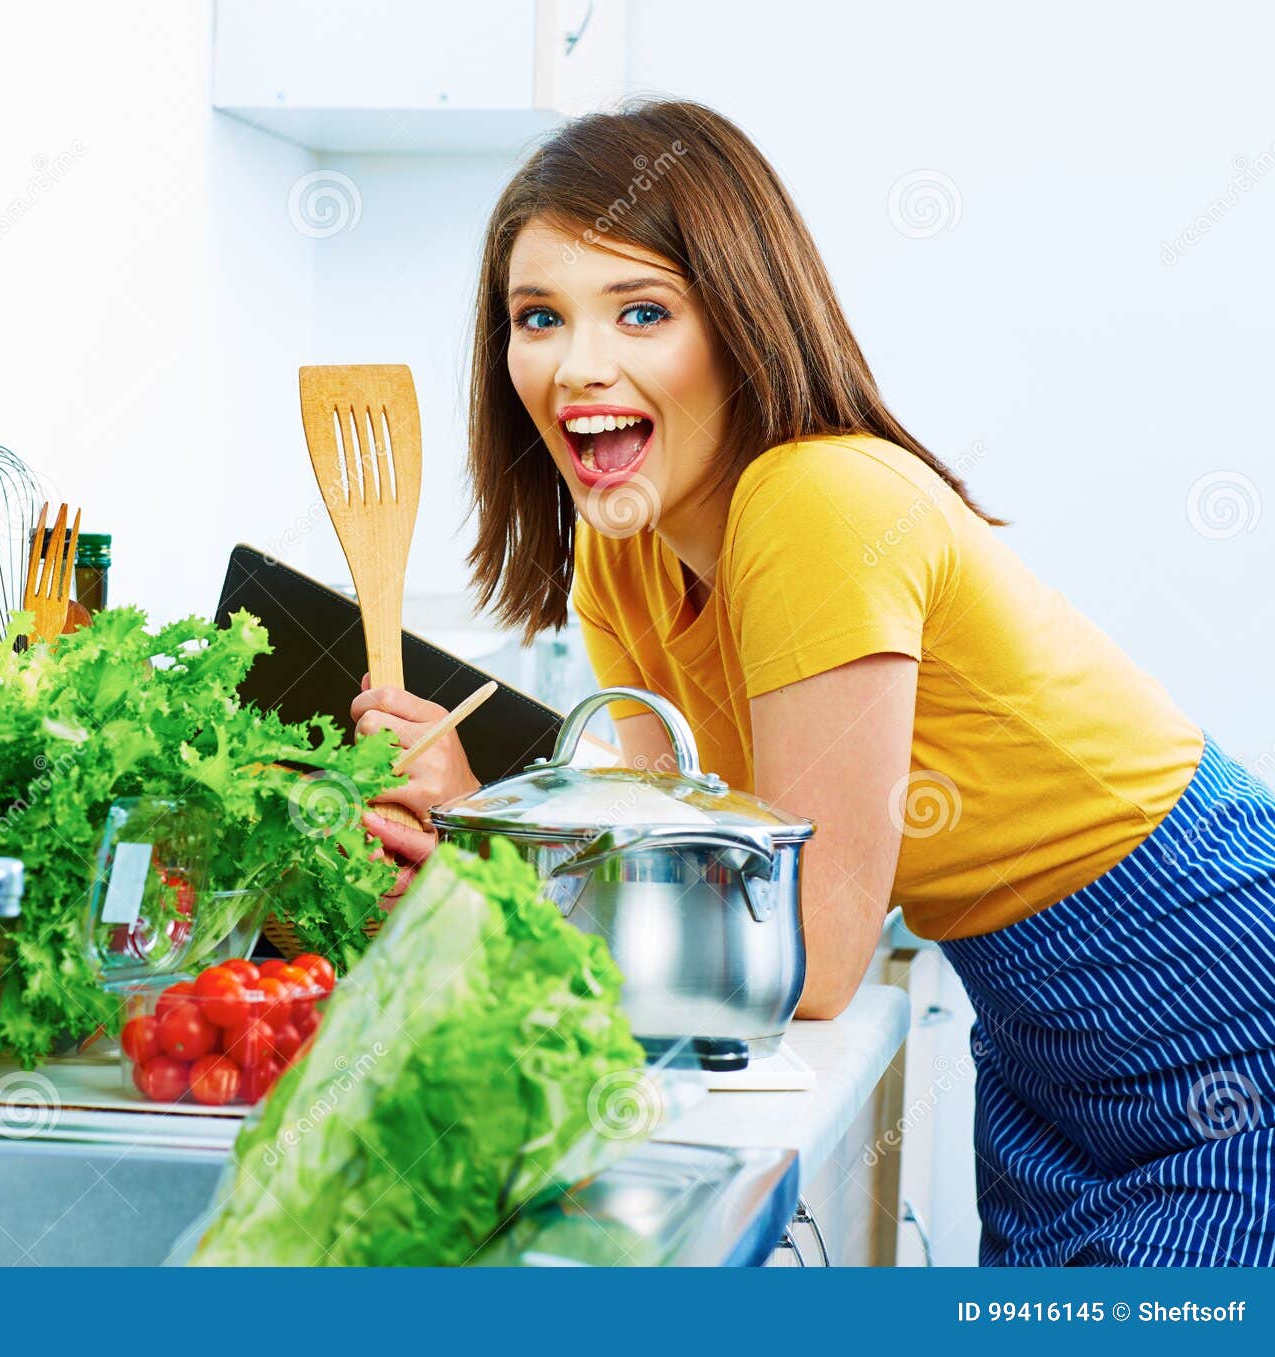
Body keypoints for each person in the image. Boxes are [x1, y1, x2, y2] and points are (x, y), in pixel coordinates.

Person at [351, 99, 1275, 1267]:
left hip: (1221, 997)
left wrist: (479, 897)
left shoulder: (818, 500)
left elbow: (813, 960)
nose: (578, 366)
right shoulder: (621, 554)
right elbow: (677, 875)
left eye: (642, 311)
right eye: (538, 317)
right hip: (1041, 1034)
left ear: (741, 323)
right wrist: (474, 823)